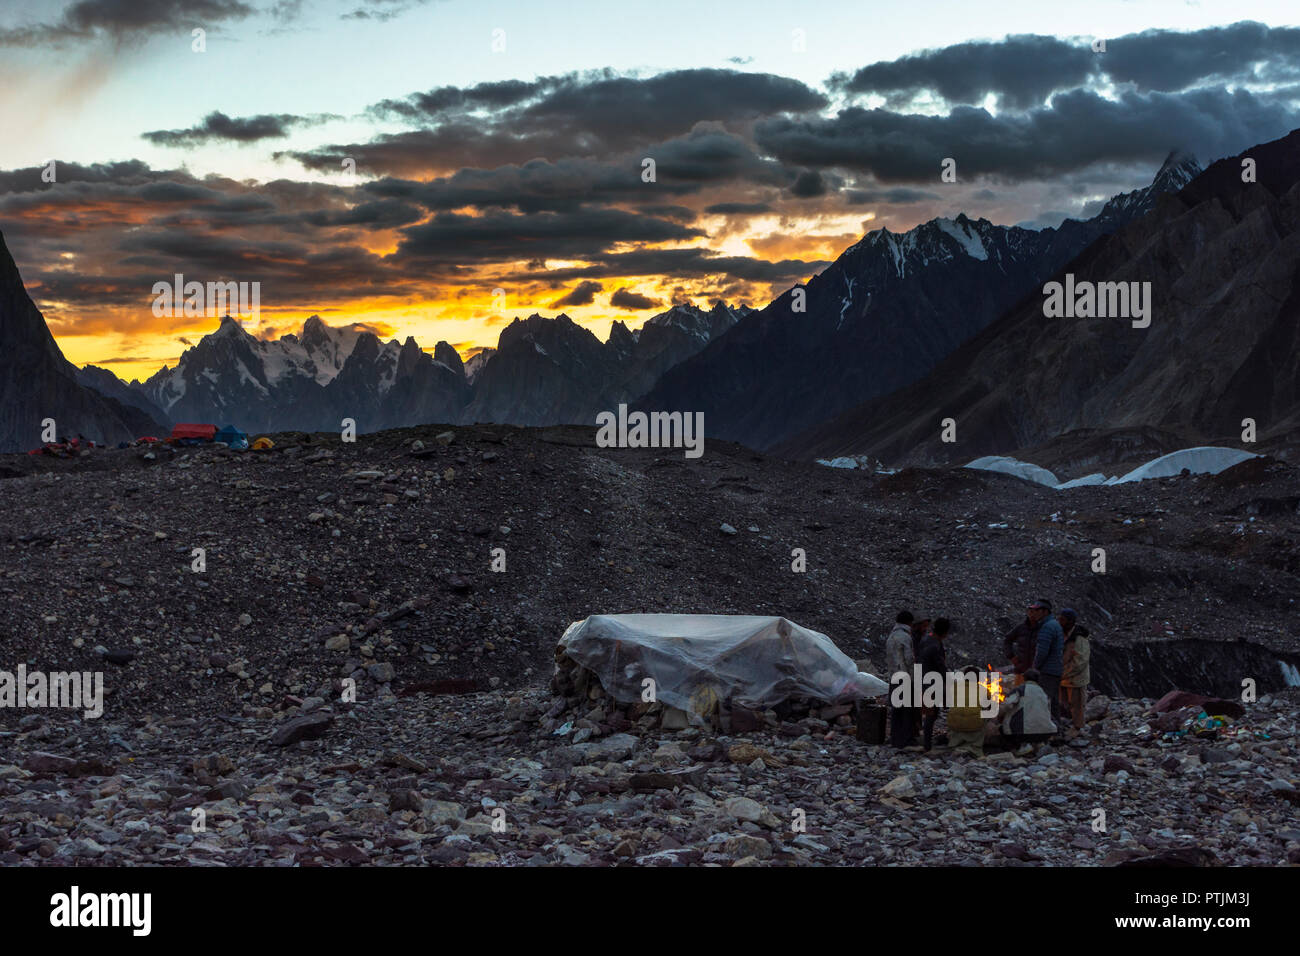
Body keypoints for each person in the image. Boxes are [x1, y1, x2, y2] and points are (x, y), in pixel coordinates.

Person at [998, 669, 1057, 748]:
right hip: (1046, 733)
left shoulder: (1019, 690)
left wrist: (998, 714)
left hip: (1021, 733)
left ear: (1024, 678)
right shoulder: (1044, 692)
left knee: (1002, 728)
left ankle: (1021, 747)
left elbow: (1007, 705)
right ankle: (1038, 744)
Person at [885, 611, 918, 748]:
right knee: (907, 710)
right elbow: (909, 659)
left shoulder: (891, 636)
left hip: (894, 676)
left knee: (896, 710)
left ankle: (895, 738)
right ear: (909, 622)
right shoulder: (905, 637)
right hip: (905, 677)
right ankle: (905, 739)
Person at [918, 617, 950, 752]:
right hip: (932, 682)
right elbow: (940, 666)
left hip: (924, 680)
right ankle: (927, 745)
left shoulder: (926, 640)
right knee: (932, 714)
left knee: (930, 713)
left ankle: (927, 743)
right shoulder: (935, 645)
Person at [1029, 599, 1064, 720]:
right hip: (1056, 669)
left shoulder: (1047, 627)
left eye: (1037, 610)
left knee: (1044, 700)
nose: (1034, 613)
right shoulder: (1054, 624)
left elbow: (1042, 651)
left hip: (1048, 670)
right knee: (1053, 701)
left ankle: (1046, 729)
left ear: (1045, 611)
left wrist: (1035, 667)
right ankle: (1056, 729)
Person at [1058, 609, 1091, 734]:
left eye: (1062, 620)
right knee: (1063, 704)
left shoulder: (1079, 638)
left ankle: (1078, 728)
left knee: (1077, 704)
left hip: (1075, 679)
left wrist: (1063, 673)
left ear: (1070, 621)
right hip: (1063, 677)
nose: (1059, 622)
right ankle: (1066, 725)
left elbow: (1080, 662)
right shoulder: (1062, 634)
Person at [946, 665, 986, 757]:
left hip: (954, 724)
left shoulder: (954, 687)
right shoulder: (982, 689)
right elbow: (989, 705)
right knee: (987, 715)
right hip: (974, 725)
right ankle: (975, 745)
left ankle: (955, 743)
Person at [1001, 611, 1038, 685]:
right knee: (1020, 694)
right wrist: (1011, 656)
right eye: (1031, 612)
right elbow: (1007, 640)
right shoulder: (1021, 628)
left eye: (1035, 613)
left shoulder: (1044, 628)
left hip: (1037, 673)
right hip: (1021, 670)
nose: (1032, 615)